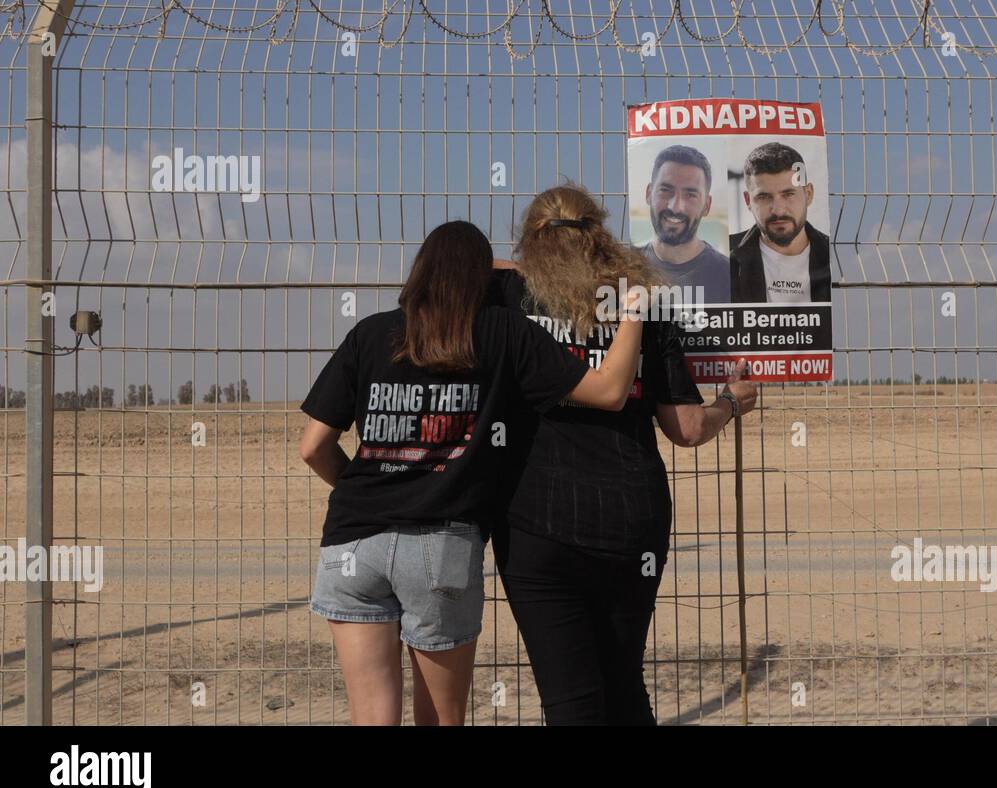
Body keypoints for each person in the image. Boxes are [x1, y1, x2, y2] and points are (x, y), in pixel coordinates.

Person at [298, 220, 646, 725]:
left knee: (371, 716)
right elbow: (610, 391)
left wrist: (365, 487)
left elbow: (312, 447)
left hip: (352, 545)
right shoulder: (501, 331)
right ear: (482, 279)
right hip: (440, 547)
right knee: (440, 718)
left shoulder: (371, 333)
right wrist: (633, 313)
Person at [492, 182, 757, 725]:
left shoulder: (505, 297)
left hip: (535, 522)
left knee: (570, 699)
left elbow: (461, 266)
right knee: (623, 681)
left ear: (532, 241)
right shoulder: (638, 299)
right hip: (630, 518)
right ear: (599, 237)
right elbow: (684, 428)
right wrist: (731, 402)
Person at [729, 141, 831, 303]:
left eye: (788, 194)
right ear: (748, 200)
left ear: (808, 194)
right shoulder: (724, 260)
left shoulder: (836, 257)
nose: (778, 210)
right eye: (763, 197)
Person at [637, 143, 732, 303]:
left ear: (707, 206)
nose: (675, 207)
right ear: (648, 194)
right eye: (666, 190)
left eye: (690, 194)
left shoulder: (729, 275)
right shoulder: (626, 267)